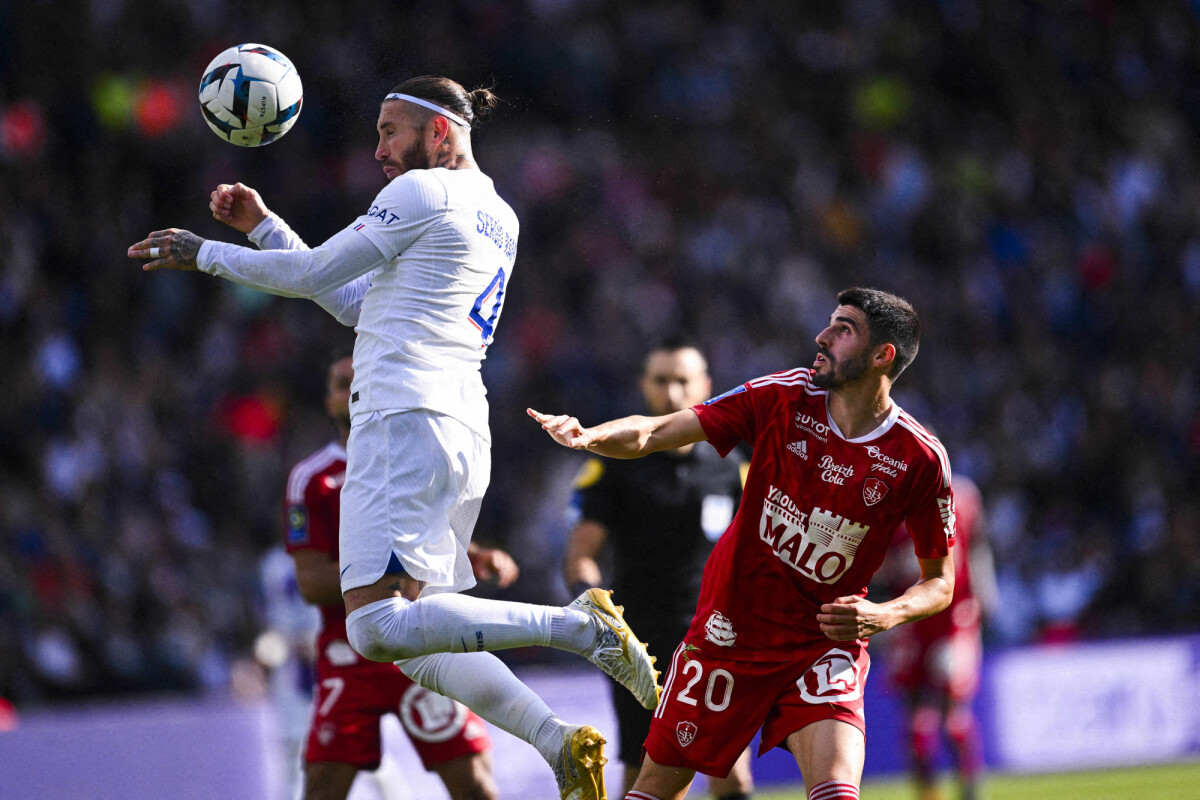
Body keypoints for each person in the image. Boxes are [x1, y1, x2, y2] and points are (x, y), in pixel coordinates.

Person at [128, 75, 661, 800]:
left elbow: (316, 274)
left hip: (401, 417)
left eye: (391, 131)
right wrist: (262, 228)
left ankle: (577, 629)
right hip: (459, 425)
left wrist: (206, 254)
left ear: (441, 133)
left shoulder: (421, 193)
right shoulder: (496, 212)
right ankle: (557, 740)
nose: (378, 149)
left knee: (376, 628)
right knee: (420, 638)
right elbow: (357, 305)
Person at [530, 287, 957, 800]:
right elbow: (653, 432)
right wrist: (589, 435)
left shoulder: (920, 459)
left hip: (822, 645)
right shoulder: (781, 397)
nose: (821, 336)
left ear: (882, 355)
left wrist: (885, 615)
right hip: (725, 637)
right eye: (829, 322)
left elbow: (940, 581)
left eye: (843, 330)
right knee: (651, 788)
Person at [285, 350, 506, 800]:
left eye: (358, 379)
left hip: (421, 651)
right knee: (322, 789)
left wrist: (470, 554)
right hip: (350, 659)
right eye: (339, 383)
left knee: (476, 786)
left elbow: (432, 540)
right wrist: (402, 573)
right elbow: (312, 584)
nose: (349, 391)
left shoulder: (416, 460)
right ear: (328, 401)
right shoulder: (314, 480)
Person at [563, 339, 755, 800]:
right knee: (646, 777)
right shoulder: (613, 466)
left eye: (683, 381)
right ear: (644, 386)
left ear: (705, 386)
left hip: (716, 639)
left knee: (734, 776)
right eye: (661, 380)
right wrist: (595, 606)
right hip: (639, 647)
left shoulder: (733, 468)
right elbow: (581, 554)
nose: (672, 393)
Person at [879, 475, 996, 800]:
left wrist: (986, 592)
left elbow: (978, 545)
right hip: (911, 622)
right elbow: (880, 566)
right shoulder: (889, 503)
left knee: (953, 721)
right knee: (917, 725)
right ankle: (931, 795)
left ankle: (970, 792)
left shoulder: (963, 496)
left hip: (952, 621)